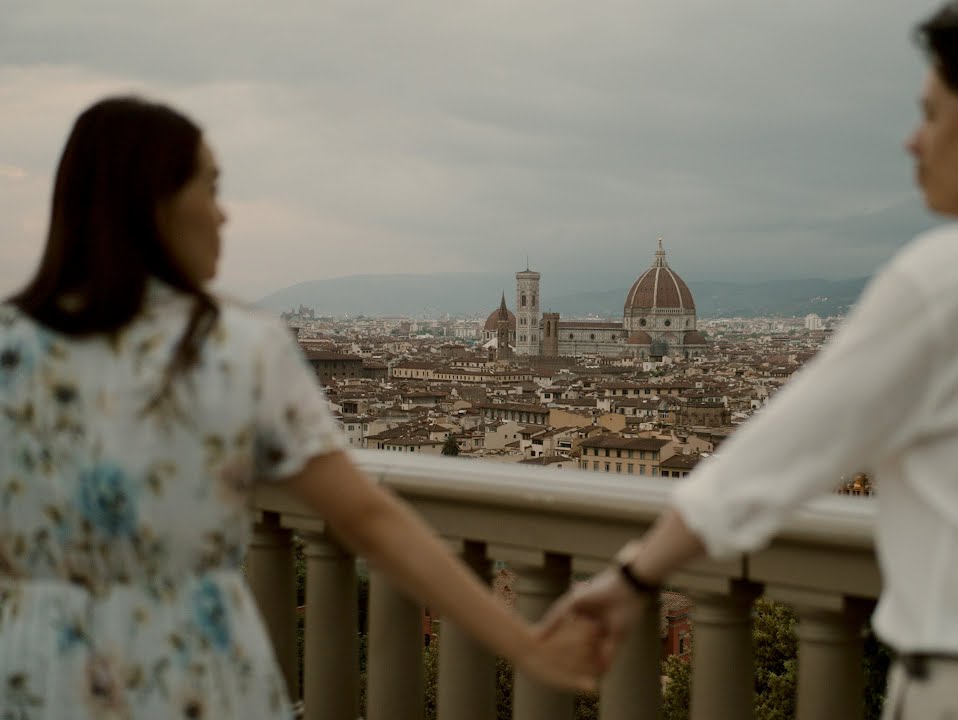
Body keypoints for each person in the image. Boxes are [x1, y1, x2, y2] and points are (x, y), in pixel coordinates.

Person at [546, 2, 958, 718]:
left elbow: (775, 457)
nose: (913, 142)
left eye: (932, 114)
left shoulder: (947, 279)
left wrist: (634, 578)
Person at [0, 96, 599, 718]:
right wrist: (523, 645)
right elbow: (370, 519)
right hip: (195, 672)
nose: (223, 214)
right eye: (209, 187)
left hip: (37, 673)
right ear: (153, 202)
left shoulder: (8, 347)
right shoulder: (237, 350)